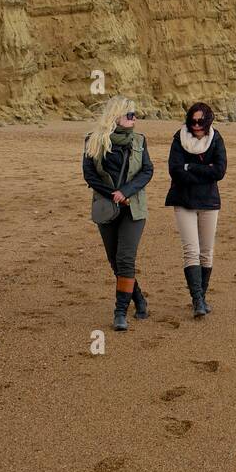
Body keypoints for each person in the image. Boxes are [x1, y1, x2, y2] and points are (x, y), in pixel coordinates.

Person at [82, 95, 154, 331]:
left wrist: (125, 192)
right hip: (106, 207)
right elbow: (90, 175)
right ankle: (139, 299)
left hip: (134, 208)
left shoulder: (140, 141)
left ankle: (120, 312)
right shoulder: (93, 141)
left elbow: (146, 171)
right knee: (115, 261)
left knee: (125, 259)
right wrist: (113, 193)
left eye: (135, 115)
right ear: (116, 116)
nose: (134, 119)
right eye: (130, 115)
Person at [166, 102, 226, 319]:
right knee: (191, 249)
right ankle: (197, 300)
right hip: (183, 200)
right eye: (193, 121)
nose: (197, 125)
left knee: (206, 251)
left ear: (208, 120)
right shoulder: (178, 138)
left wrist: (190, 167)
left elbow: (219, 171)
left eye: (201, 121)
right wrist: (203, 171)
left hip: (209, 202)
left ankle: (202, 295)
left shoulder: (216, 139)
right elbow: (174, 170)